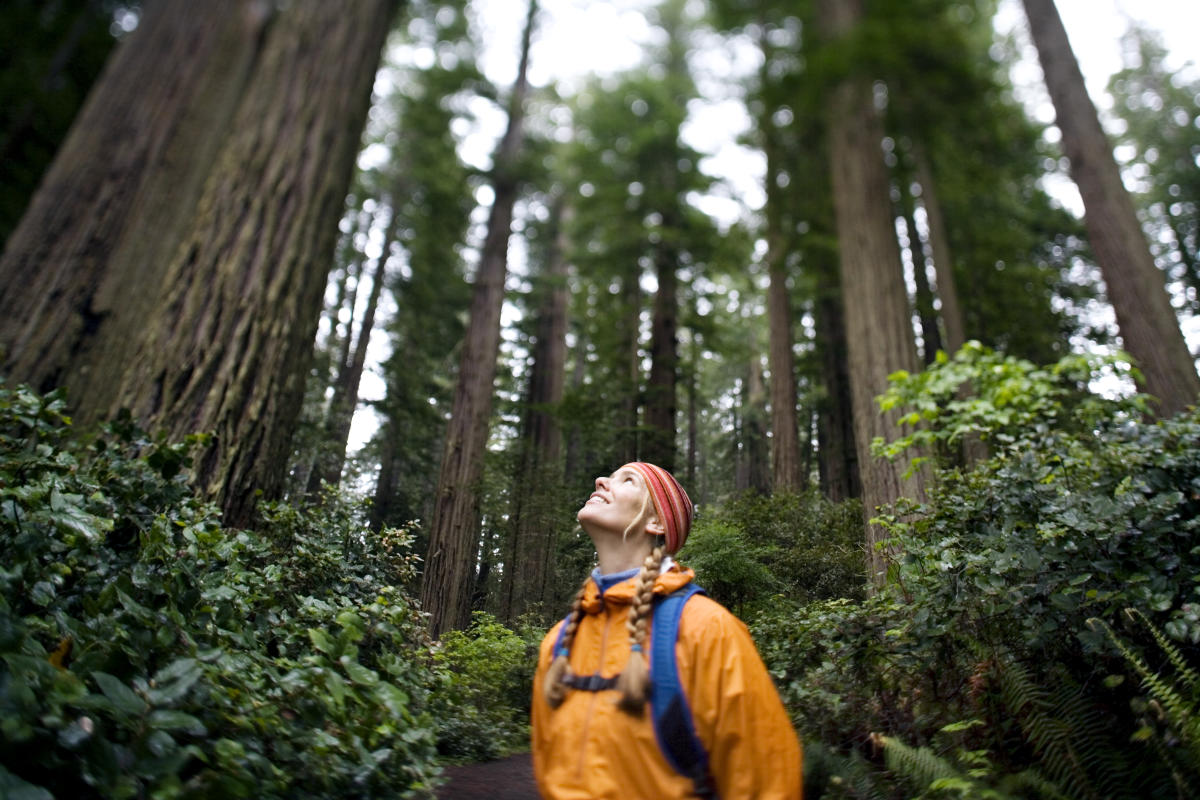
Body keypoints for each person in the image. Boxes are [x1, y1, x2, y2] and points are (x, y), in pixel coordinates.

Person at [531, 461, 803, 799]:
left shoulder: (708, 630)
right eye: (609, 476)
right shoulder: (559, 642)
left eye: (627, 480)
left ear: (656, 522)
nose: (600, 480)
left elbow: (765, 784)